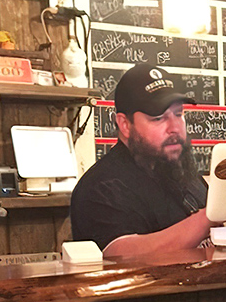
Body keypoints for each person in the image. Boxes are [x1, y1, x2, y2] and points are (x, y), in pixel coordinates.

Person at [70, 64, 211, 258]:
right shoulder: (101, 188)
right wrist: (207, 218)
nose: (175, 128)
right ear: (125, 125)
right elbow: (122, 256)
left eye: (178, 114)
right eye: (158, 118)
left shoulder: (185, 174)